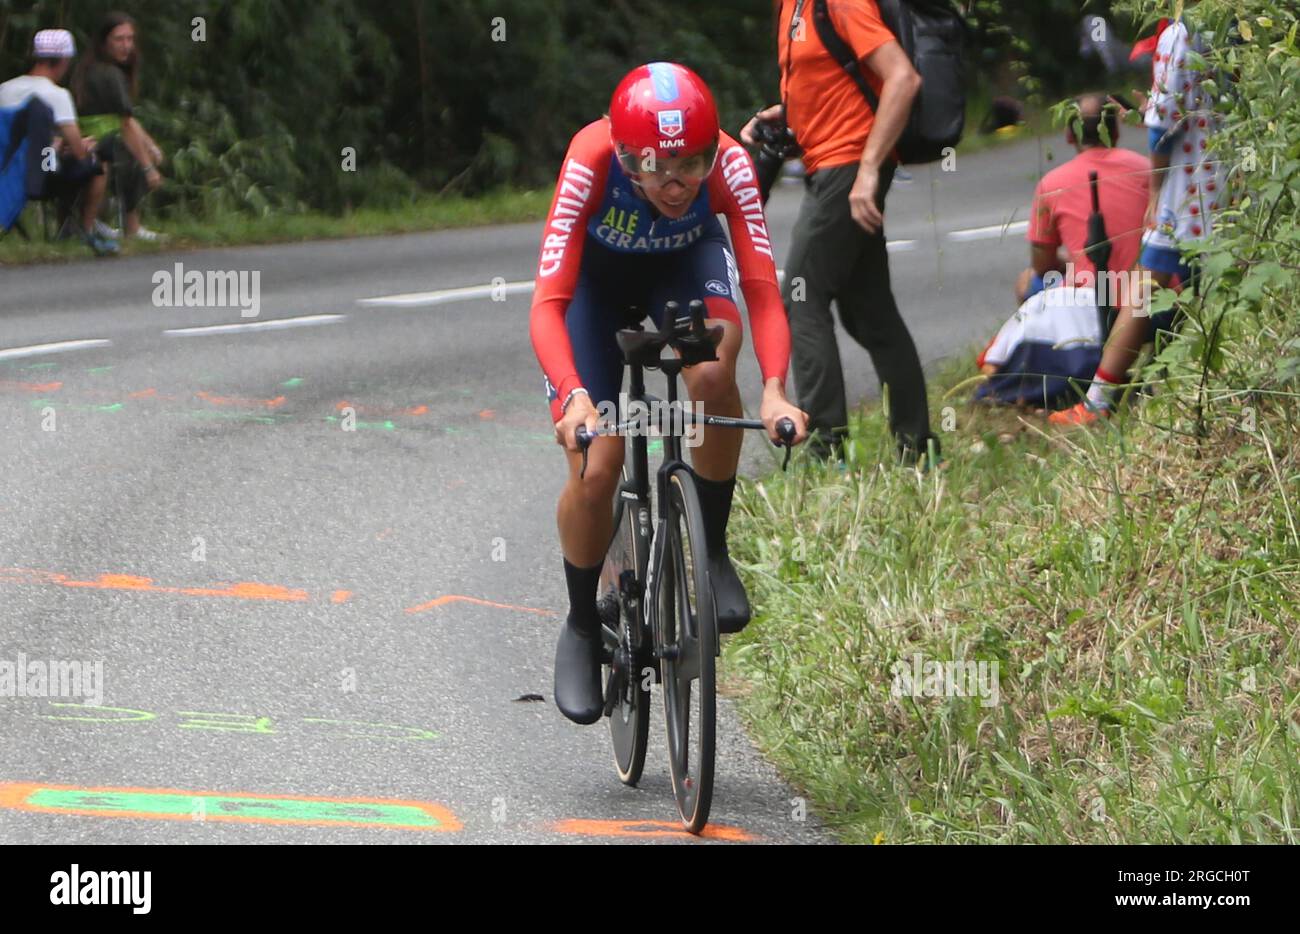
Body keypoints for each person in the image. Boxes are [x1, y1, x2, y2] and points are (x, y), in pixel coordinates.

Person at [529, 62, 808, 724]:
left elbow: (764, 288)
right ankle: (580, 623)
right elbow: (548, 303)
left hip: (685, 270)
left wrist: (774, 390)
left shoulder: (732, 165)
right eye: (659, 166)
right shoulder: (589, 159)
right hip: (595, 293)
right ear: (626, 156)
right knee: (599, 466)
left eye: (694, 162)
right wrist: (573, 396)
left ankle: (710, 549)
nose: (679, 181)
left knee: (712, 374)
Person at [742, 0, 936, 465]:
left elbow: (903, 78)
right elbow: (831, 79)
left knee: (801, 298)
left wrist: (869, 169)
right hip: (830, 162)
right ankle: (918, 449)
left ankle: (826, 447)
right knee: (871, 312)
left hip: (847, 166)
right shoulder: (795, 6)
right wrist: (787, 114)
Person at [1051, 10, 1224, 426]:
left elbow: (1163, 125)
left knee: (1144, 290)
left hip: (1188, 190)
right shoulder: (1233, 25)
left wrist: (1154, 189)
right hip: (1230, 180)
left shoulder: (1179, 35)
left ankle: (1099, 400)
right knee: (1214, 287)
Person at [0, 28, 116, 254]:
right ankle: (84, 228)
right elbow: (79, 152)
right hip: (41, 176)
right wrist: (82, 145)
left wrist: (53, 144)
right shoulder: (56, 95)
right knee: (98, 159)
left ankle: (69, 228)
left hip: (7, 172)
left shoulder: (5, 89)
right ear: (63, 61)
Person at [74, 11, 165, 241]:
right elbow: (124, 124)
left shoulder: (95, 68)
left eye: (130, 39)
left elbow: (125, 118)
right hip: (95, 138)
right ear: (104, 42)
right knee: (134, 156)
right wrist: (148, 168)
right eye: (119, 39)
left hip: (103, 134)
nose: (126, 46)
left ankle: (119, 223)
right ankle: (131, 225)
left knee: (142, 151)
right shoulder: (108, 74)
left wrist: (150, 144)